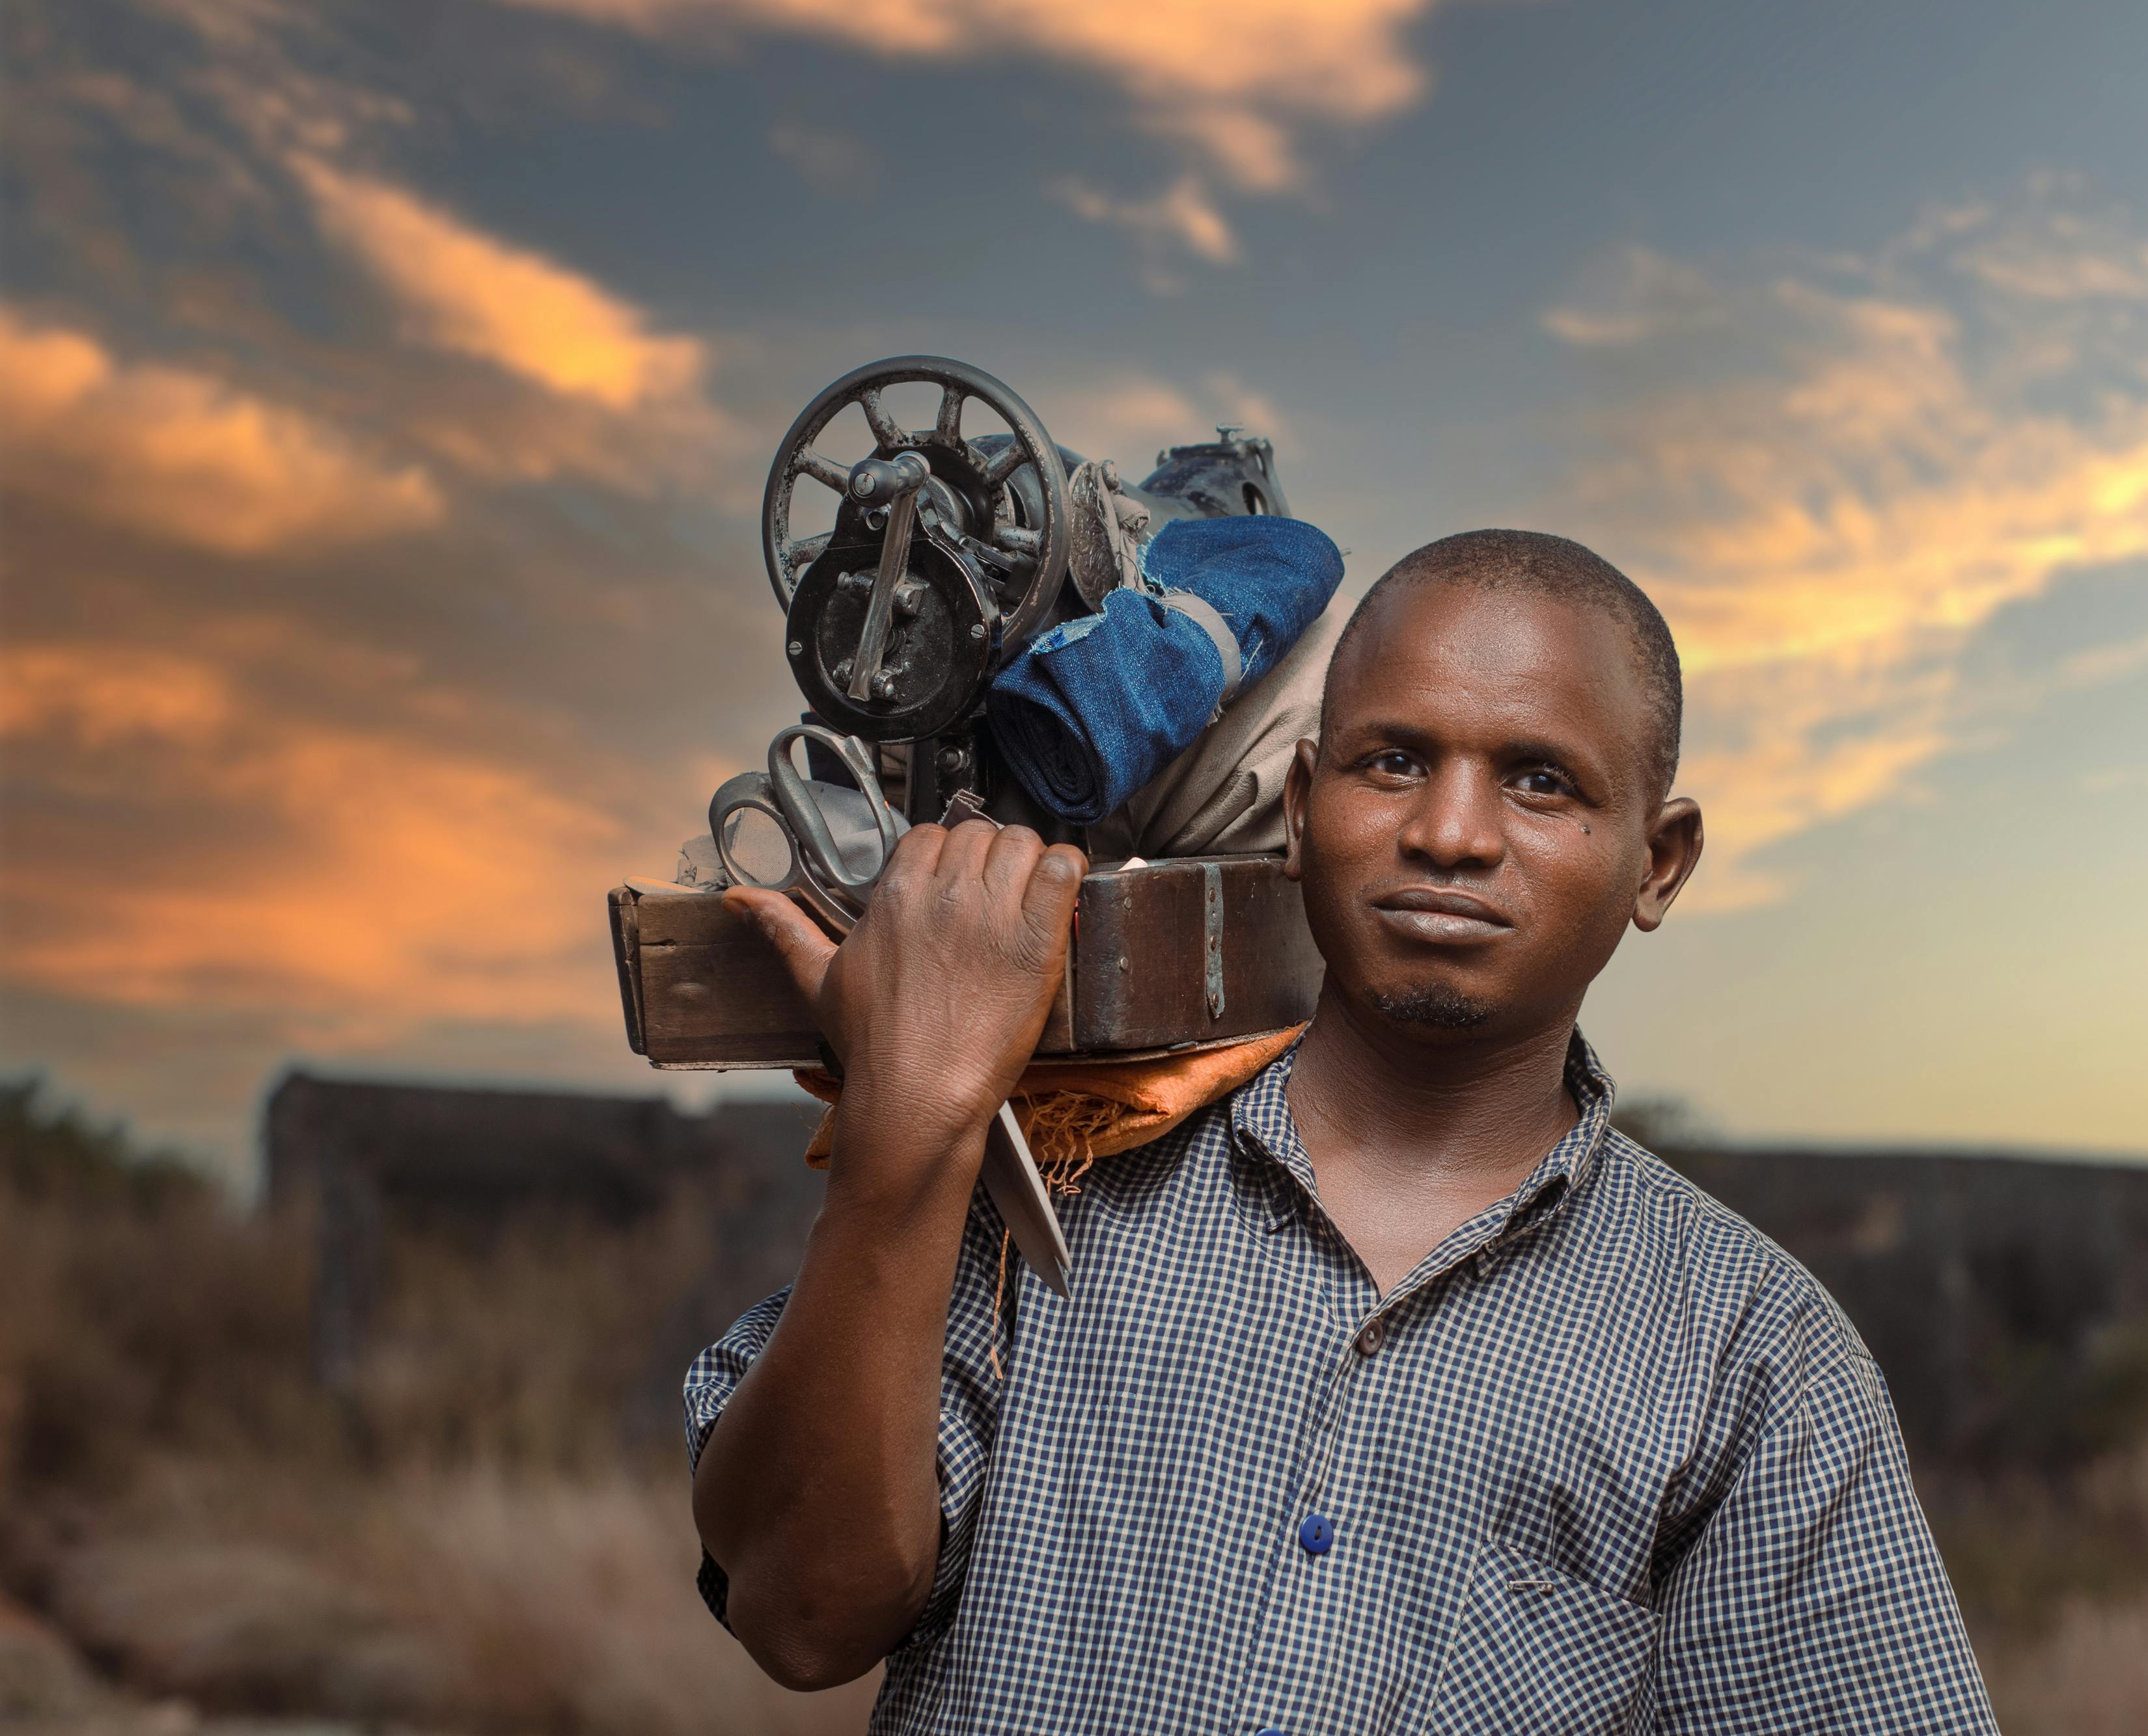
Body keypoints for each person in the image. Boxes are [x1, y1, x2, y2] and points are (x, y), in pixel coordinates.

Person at [687, 530, 2000, 1734]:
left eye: (1539, 781)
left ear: (1656, 860)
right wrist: (906, 1125)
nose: (1447, 833)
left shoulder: (1745, 1355)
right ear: (1305, 800)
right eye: (1394, 761)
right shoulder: (1048, 1168)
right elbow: (801, 1616)